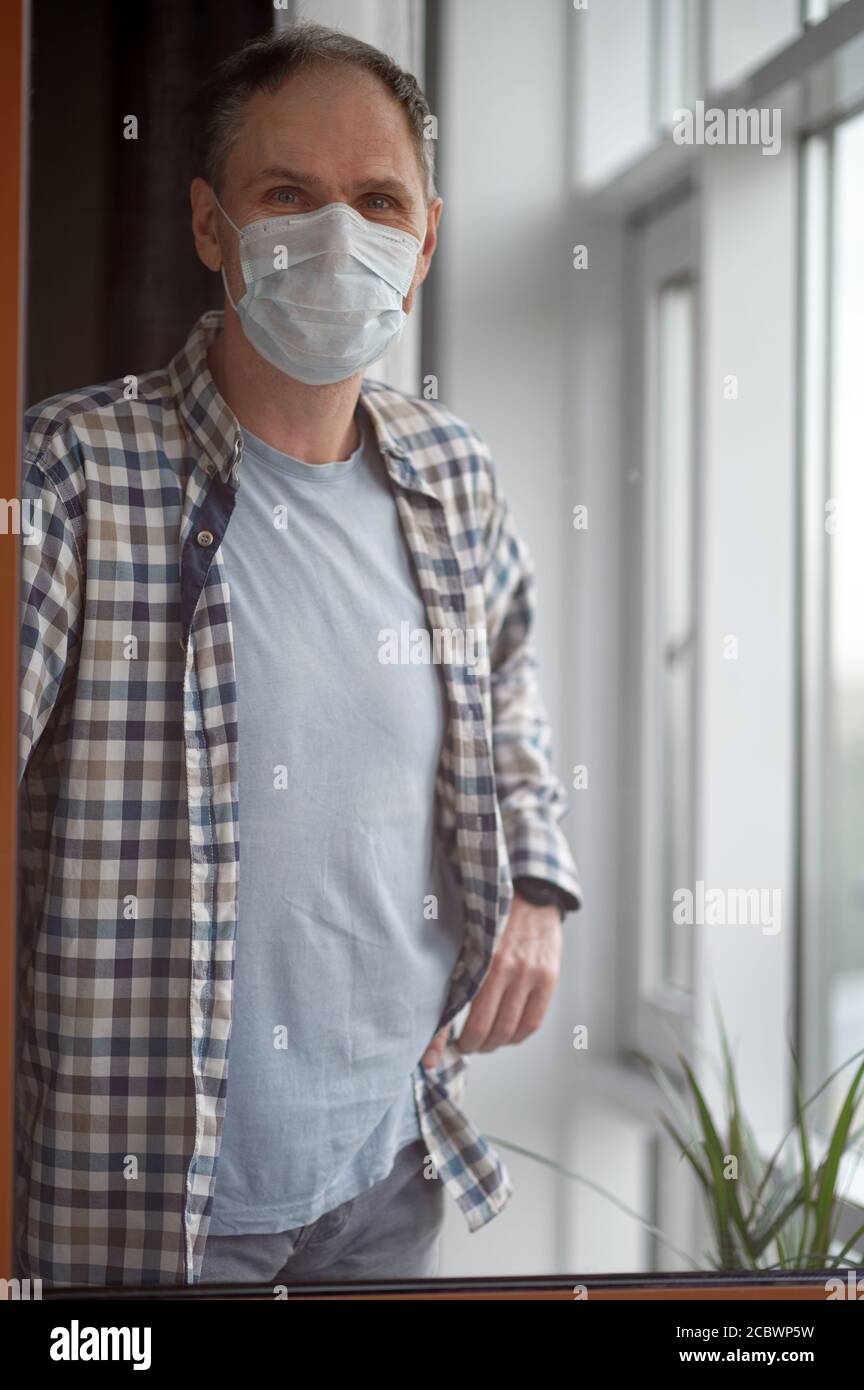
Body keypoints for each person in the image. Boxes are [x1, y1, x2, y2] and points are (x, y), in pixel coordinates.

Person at [18, 23, 582, 1289]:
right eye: (289, 194)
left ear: (424, 239)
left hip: (391, 1171)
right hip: (153, 1206)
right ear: (213, 226)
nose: (341, 234)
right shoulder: (74, 475)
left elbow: (511, 701)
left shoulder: (455, 473)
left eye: (378, 199)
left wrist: (538, 885)